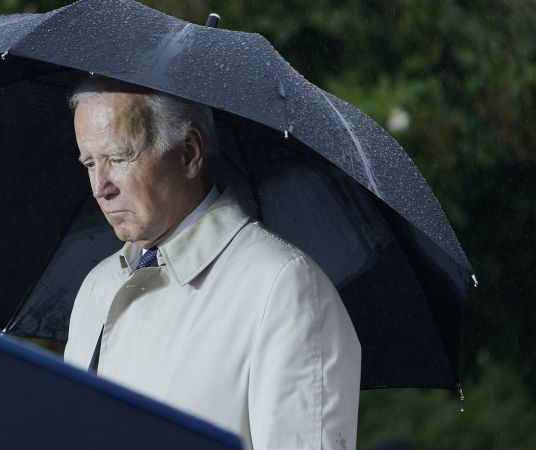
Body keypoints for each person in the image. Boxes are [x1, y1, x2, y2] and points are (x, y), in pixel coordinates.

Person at [63, 76, 361, 450]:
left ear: (188, 152)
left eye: (119, 158)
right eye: (90, 163)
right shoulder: (97, 286)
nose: (100, 187)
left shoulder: (283, 287)